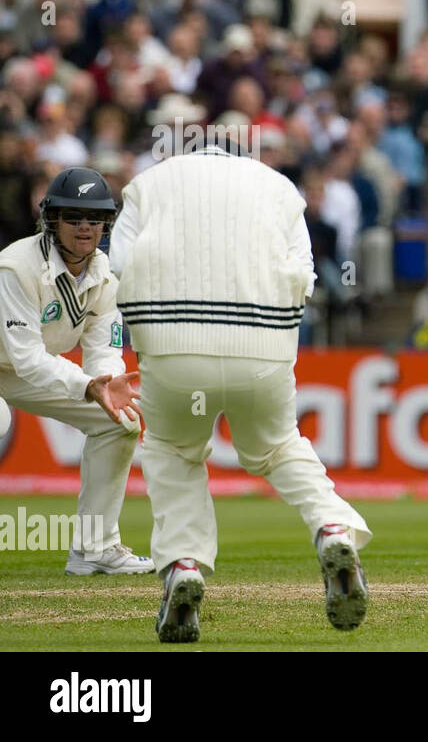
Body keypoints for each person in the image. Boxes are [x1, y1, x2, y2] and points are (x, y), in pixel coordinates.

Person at [111, 145, 371, 643]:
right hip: (262, 346)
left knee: (173, 450)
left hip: (172, 347)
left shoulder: (148, 183)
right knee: (278, 447)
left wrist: (121, 346)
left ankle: (183, 565)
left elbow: (118, 267)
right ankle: (333, 529)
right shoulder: (278, 187)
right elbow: (309, 273)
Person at [0, 167, 152, 576]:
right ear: (52, 219)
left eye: (95, 218)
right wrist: (86, 385)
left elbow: (103, 347)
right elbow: (28, 356)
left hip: (16, 369)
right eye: (73, 217)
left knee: (119, 421)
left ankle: (94, 550)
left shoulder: (105, 274)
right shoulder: (16, 267)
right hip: (17, 360)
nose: (85, 227)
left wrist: (105, 383)